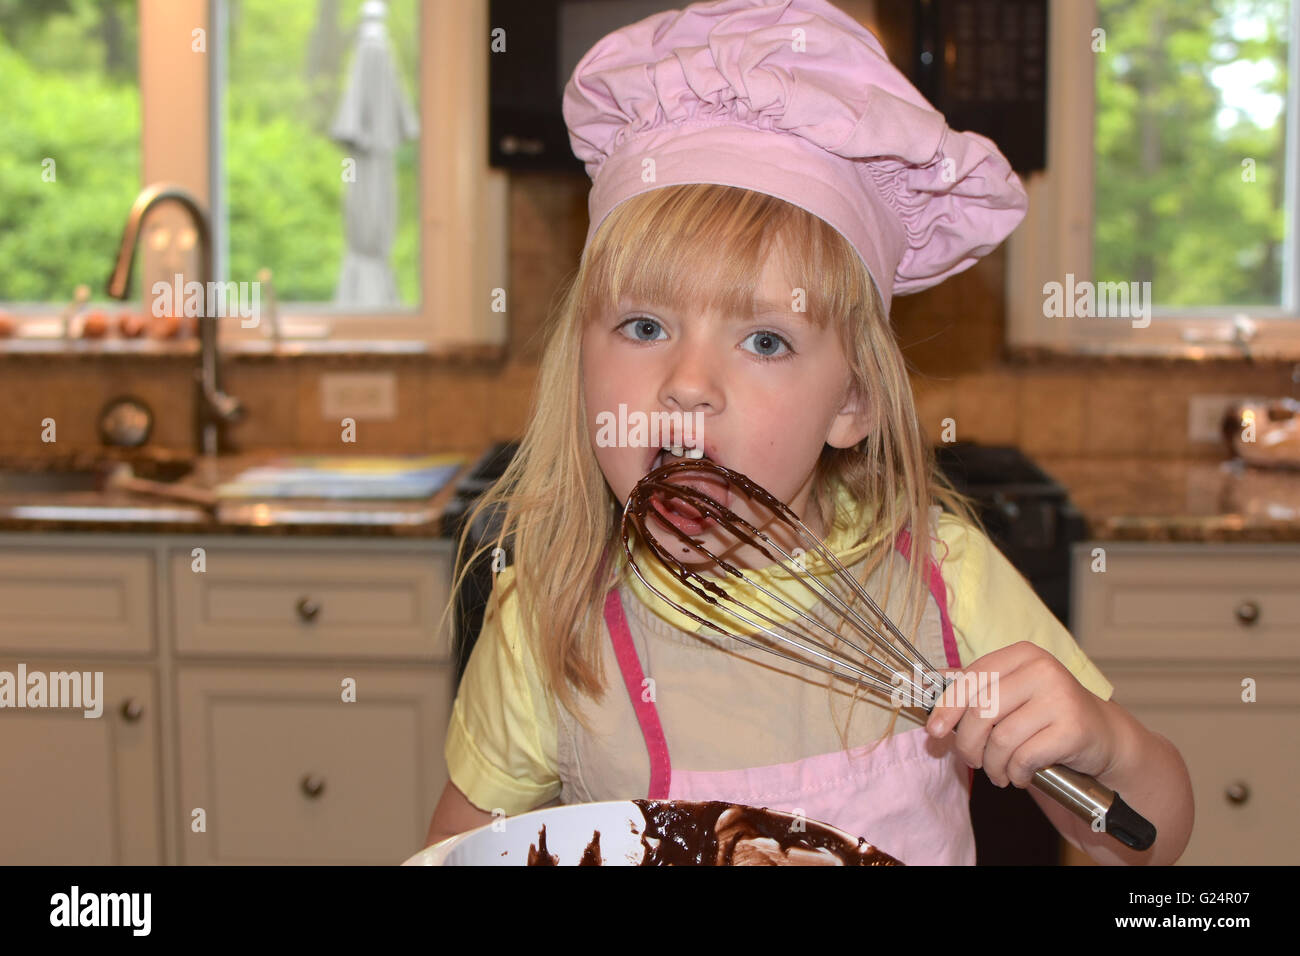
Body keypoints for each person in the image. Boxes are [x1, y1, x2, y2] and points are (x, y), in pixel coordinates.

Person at [426, 0, 1193, 864]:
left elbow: (1148, 842)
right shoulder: (551, 621)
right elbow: (457, 848)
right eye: (644, 326)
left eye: (764, 340)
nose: (686, 383)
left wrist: (1101, 743)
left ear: (852, 403)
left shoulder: (941, 583)